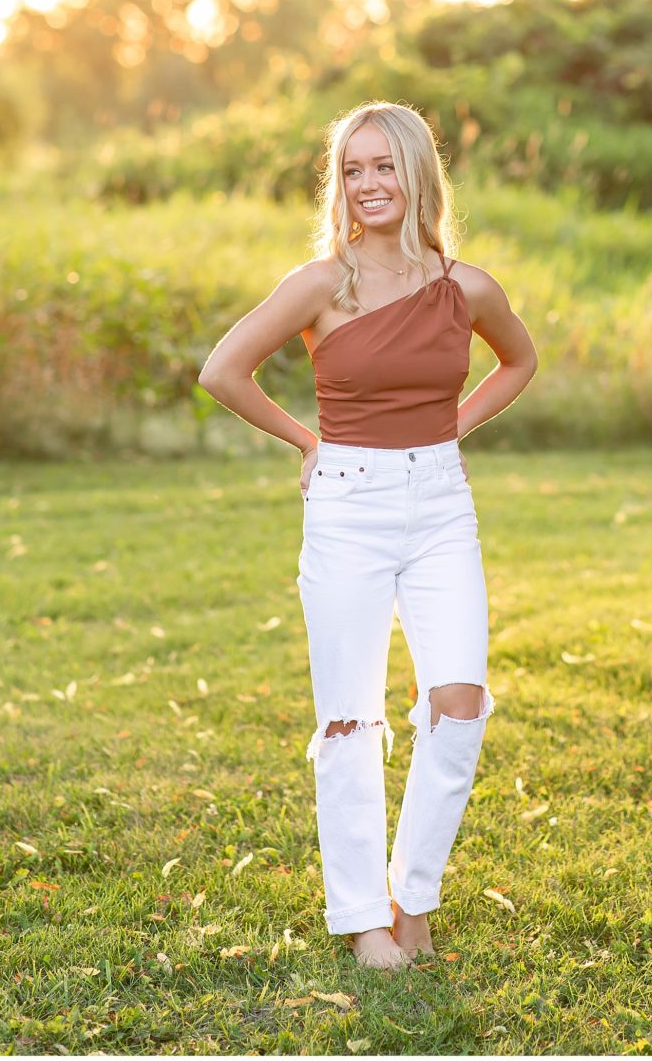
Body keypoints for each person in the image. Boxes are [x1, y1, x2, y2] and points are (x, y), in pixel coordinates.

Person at [198, 101, 538, 970]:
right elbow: (222, 371)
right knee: (349, 720)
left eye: (384, 166)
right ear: (338, 183)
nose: (368, 184)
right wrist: (307, 440)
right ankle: (360, 919)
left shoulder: (465, 287)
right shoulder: (321, 283)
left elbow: (519, 361)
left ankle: (411, 898)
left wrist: (448, 430)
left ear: (418, 174)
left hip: (439, 506)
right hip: (346, 508)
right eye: (352, 169)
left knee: (457, 706)